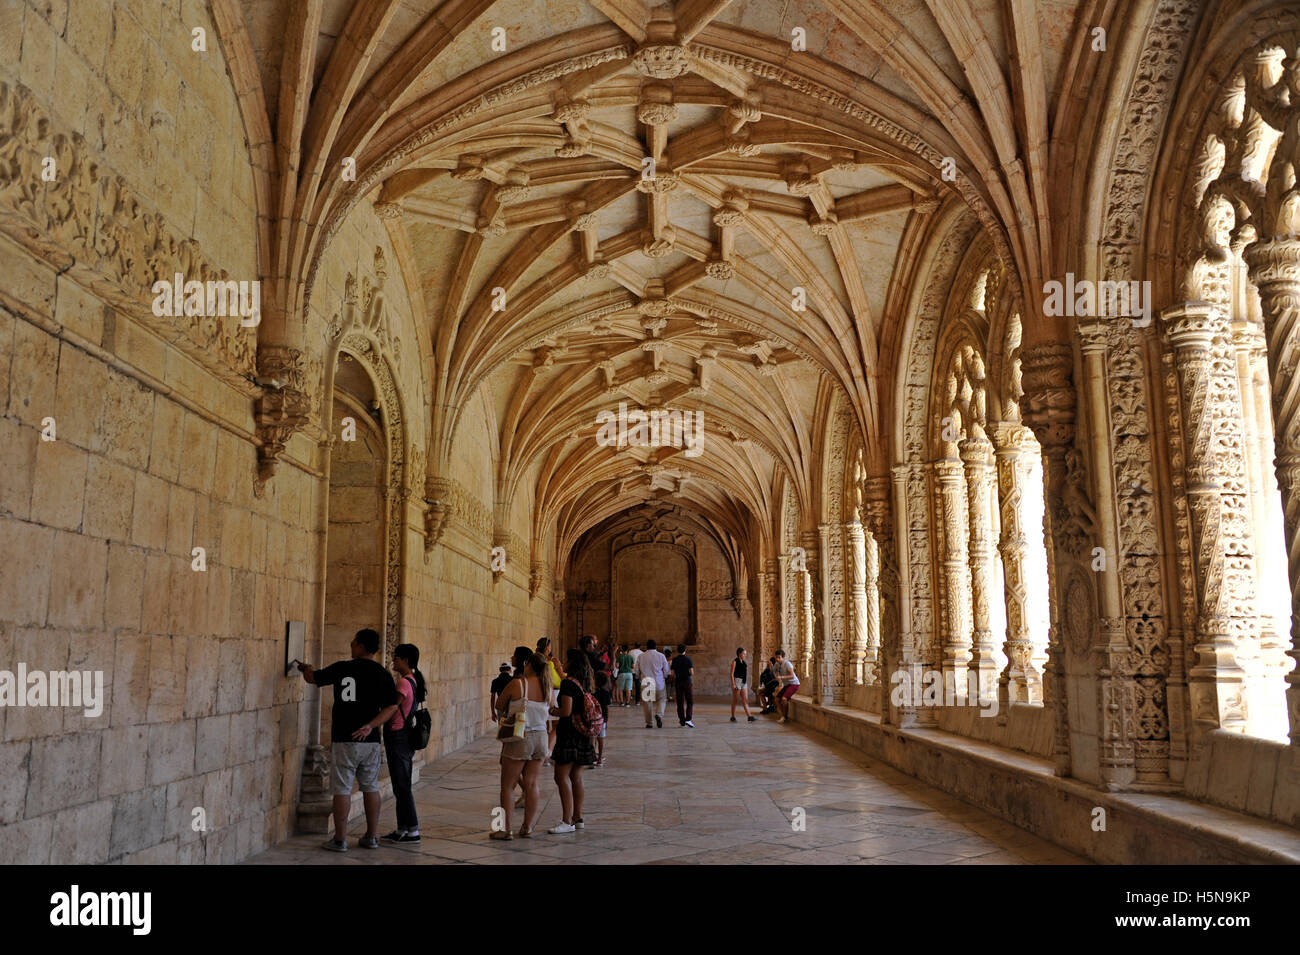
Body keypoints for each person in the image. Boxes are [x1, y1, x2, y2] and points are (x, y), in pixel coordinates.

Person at [297, 628, 399, 852]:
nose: (351, 646)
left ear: (361, 646)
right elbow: (392, 706)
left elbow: (313, 678)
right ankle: (371, 837)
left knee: (342, 788)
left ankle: (340, 839)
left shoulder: (343, 668)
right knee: (370, 786)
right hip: (369, 739)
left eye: (353, 642)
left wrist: (306, 668)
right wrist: (371, 725)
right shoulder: (382, 673)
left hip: (344, 738)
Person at [493, 652, 552, 839]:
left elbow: (499, 704)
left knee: (508, 786)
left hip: (521, 736)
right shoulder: (547, 686)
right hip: (541, 737)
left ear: (528, 665)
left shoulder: (518, 683)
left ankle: (506, 829)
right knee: (532, 784)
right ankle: (527, 827)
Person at [548, 649, 597, 833]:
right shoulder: (584, 683)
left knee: (560, 776)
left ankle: (566, 821)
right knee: (576, 776)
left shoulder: (568, 684)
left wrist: (553, 711)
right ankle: (578, 817)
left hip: (569, 735)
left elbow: (566, 711)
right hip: (582, 734)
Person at [382, 643, 425, 843]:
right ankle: (402, 828)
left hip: (398, 736)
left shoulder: (403, 683)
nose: (394, 661)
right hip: (405, 736)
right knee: (401, 784)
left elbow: (392, 707)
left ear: (406, 660)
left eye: (397, 658)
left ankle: (413, 830)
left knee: (402, 786)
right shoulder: (413, 680)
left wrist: (373, 723)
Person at [537, 637, 563, 762]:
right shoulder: (553, 661)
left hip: (540, 692)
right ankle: (548, 753)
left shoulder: (536, 660)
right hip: (555, 692)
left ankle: (545, 751)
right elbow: (562, 677)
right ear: (548, 648)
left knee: (546, 724)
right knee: (556, 725)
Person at [634, 639, 669, 728]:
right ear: (655, 646)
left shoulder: (641, 656)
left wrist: (637, 677)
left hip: (646, 682)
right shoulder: (661, 656)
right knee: (662, 699)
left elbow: (637, 670)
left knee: (647, 703)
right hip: (658, 682)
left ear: (646, 646)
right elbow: (666, 670)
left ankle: (649, 723)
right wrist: (664, 677)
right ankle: (659, 714)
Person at [671, 643, 695, 727]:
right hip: (687, 682)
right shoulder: (688, 659)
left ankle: (682, 721)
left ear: (678, 650)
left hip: (678, 682)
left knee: (680, 702)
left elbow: (672, 673)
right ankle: (688, 719)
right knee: (690, 701)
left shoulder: (674, 660)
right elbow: (692, 672)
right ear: (685, 650)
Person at [773, 649, 800, 723]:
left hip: (794, 684)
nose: (778, 659)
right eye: (776, 657)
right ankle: (783, 715)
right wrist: (776, 676)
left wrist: (781, 677)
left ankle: (784, 717)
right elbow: (774, 671)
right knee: (777, 699)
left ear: (783, 657)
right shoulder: (777, 664)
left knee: (784, 699)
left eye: (779, 657)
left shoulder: (787, 664)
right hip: (787, 685)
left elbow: (792, 676)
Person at [730, 647, 756, 722]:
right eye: (744, 653)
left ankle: (749, 716)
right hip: (737, 681)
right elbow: (731, 674)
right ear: (739, 654)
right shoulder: (735, 662)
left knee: (745, 700)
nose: (745, 655)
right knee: (735, 700)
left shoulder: (744, 663)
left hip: (743, 682)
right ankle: (733, 716)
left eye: (745, 654)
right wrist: (733, 684)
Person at [593, 670, 611, 765]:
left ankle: (591, 757)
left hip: (592, 718)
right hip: (602, 719)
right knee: (601, 739)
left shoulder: (592, 692)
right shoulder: (606, 693)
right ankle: (599, 758)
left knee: (592, 739)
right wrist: (606, 720)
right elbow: (607, 708)